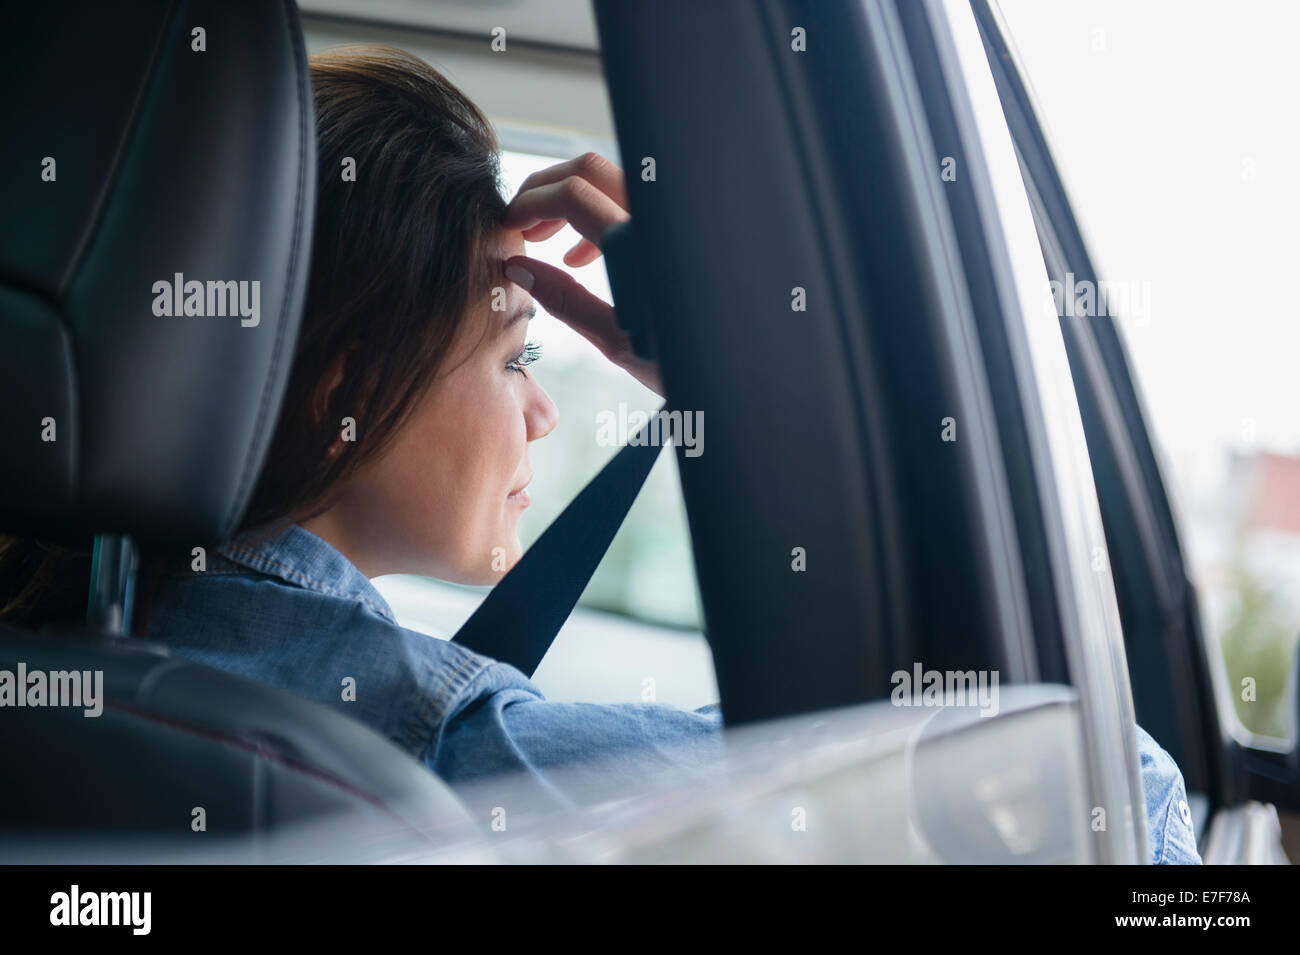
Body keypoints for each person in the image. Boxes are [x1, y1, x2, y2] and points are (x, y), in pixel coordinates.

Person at [0, 44, 1198, 863]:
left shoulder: (51, 657)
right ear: (346, 384)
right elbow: (1110, 788)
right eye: (515, 354)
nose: (543, 415)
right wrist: (730, 379)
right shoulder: (445, 753)